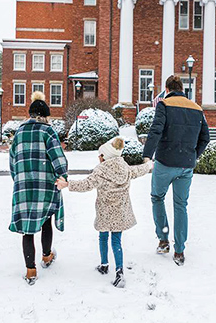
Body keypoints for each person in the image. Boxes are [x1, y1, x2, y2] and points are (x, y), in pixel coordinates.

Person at [56, 137, 152, 288]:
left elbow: (86, 184)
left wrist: (67, 184)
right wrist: (148, 165)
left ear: (104, 156)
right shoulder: (125, 168)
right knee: (116, 241)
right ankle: (119, 271)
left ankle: (104, 264)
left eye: (100, 155)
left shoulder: (100, 171)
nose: (99, 158)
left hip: (104, 211)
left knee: (103, 236)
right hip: (120, 212)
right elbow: (139, 170)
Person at [142, 75, 210, 266]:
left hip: (165, 162)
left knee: (157, 197)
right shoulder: (197, 109)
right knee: (181, 205)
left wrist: (147, 155)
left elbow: (156, 130)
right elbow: (205, 138)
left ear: (167, 88)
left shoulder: (164, 105)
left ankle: (163, 240)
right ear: (182, 88)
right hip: (186, 166)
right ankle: (179, 250)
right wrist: (193, 155)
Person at [9, 91, 68, 285]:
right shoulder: (47, 131)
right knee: (45, 221)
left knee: (27, 229)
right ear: (44, 116)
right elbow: (58, 159)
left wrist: (19, 180)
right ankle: (46, 255)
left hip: (24, 186)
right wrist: (62, 175)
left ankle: (30, 270)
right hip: (45, 185)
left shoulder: (19, 133)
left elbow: (12, 161)